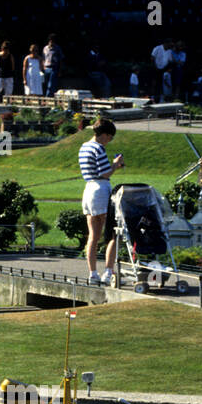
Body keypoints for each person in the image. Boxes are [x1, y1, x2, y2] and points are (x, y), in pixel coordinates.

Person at [79, 119, 124, 284]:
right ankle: (108, 272)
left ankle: (93, 274)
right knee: (112, 234)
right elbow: (105, 173)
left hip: (88, 190)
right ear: (104, 135)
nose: (109, 141)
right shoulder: (99, 148)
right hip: (101, 190)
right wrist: (115, 165)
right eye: (110, 137)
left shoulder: (84, 146)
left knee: (93, 236)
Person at [152, 38, 174, 102]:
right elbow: (152, 58)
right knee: (154, 83)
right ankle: (152, 97)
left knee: (161, 84)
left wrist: (166, 68)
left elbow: (170, 60)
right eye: (169, 44)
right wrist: (155, 67)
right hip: (155, 68)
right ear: (165, 43)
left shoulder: (169, 51)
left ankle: (160, 98)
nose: (170, 46)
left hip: (163, 69)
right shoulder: (157, 48)